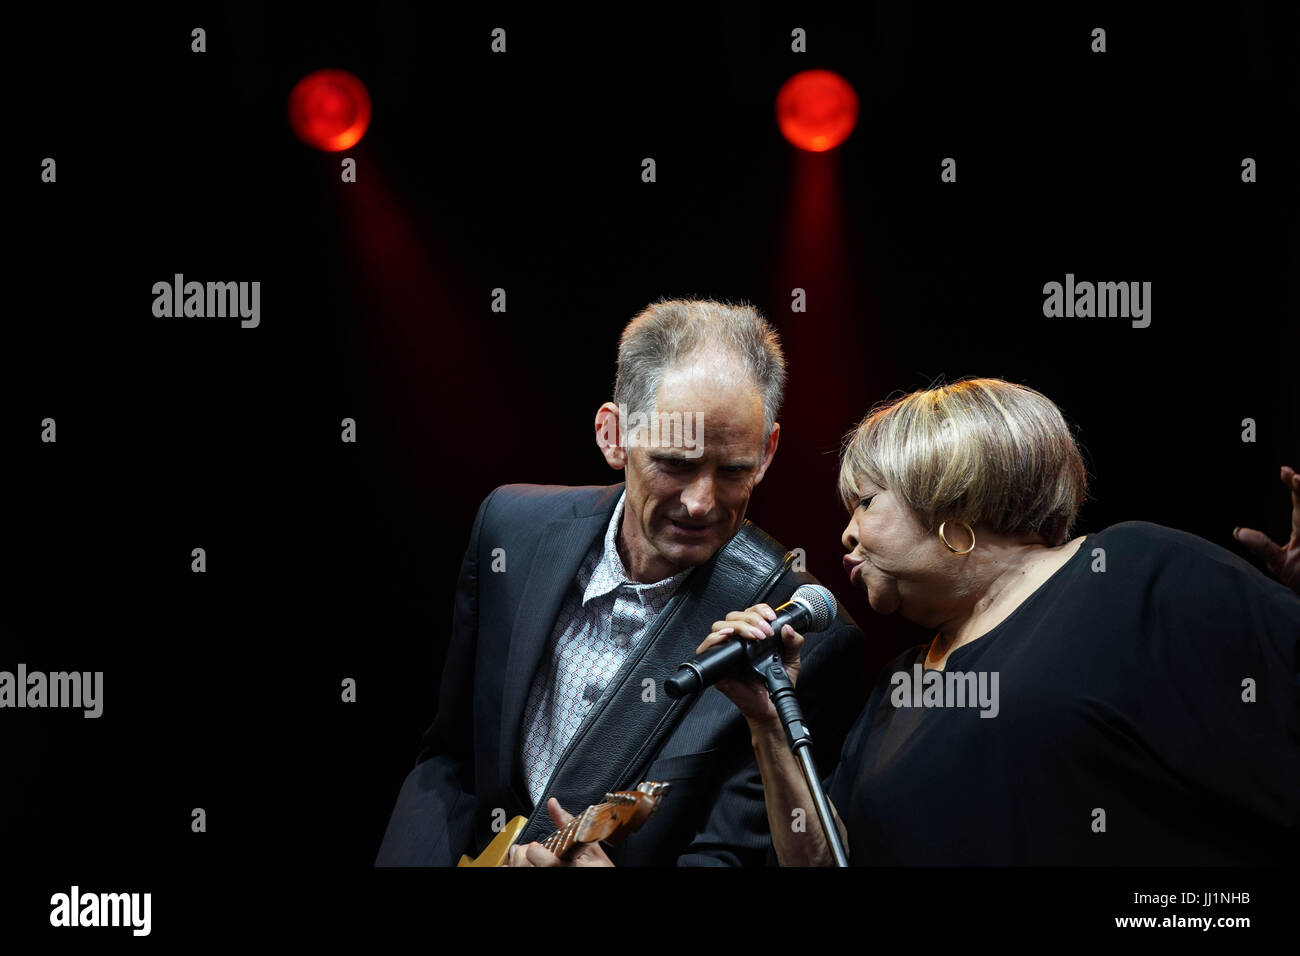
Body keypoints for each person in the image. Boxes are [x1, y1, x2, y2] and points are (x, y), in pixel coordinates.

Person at [702, 378, 1300, 865]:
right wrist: (768, 724)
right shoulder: (898, 686)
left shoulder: (1132, 572)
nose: (847, 535)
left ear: (947, 492)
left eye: (866, 502)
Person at [374, 298, 867, 867]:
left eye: (732, 470)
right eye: (675, 464)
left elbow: (734, 855)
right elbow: (450, 757)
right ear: (613, 436)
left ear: (767, 452)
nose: (701, 503)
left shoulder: (799, 638)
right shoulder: (510, 528)